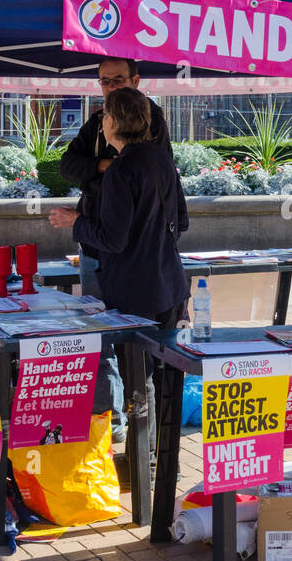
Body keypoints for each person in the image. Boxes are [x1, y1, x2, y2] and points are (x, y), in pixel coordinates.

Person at [49, 89, 190, 451]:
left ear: (111, 122)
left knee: (138, 380)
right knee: (157, 378)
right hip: (168, 284)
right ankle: (157, 461)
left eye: (104, 118)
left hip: (134, 291)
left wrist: (76, 220)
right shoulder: (162, 160)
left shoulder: (122, 170)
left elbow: (112, 239)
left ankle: (145, 465)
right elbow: (180, 220)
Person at [59, 57, 181, 301]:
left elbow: (134, 186)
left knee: (120, 329)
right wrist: (102, 166)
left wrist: (79, 216)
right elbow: (66, 166)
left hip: (133, 262)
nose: (112, 87)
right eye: (105, 82)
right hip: (105, 251)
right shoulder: (96, 123)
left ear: (135, 81)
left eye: (118, 80)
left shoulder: (149, 129)